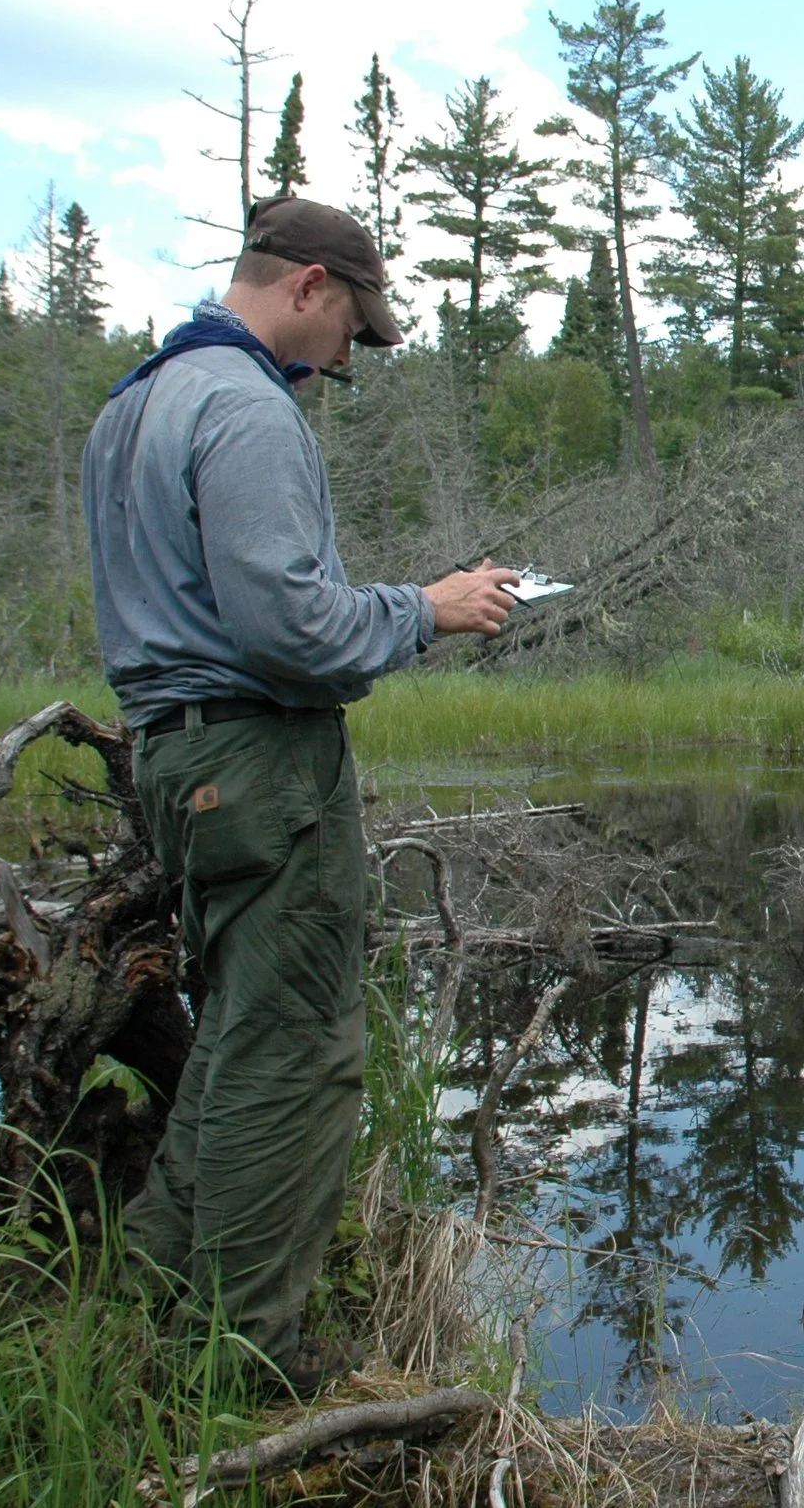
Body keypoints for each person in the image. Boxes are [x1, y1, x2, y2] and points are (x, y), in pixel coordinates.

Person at [82, 196, 519, 1394]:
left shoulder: (136, 403)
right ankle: (240, 1369)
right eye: (351, 331)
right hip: (263, 764)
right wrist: (426, 608)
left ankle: (152, 1317)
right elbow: (291, 633)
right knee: (298, 1061)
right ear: (308, 286)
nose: (345, 360)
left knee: (239, 1039)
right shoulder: (243, 407)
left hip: (183, 763)